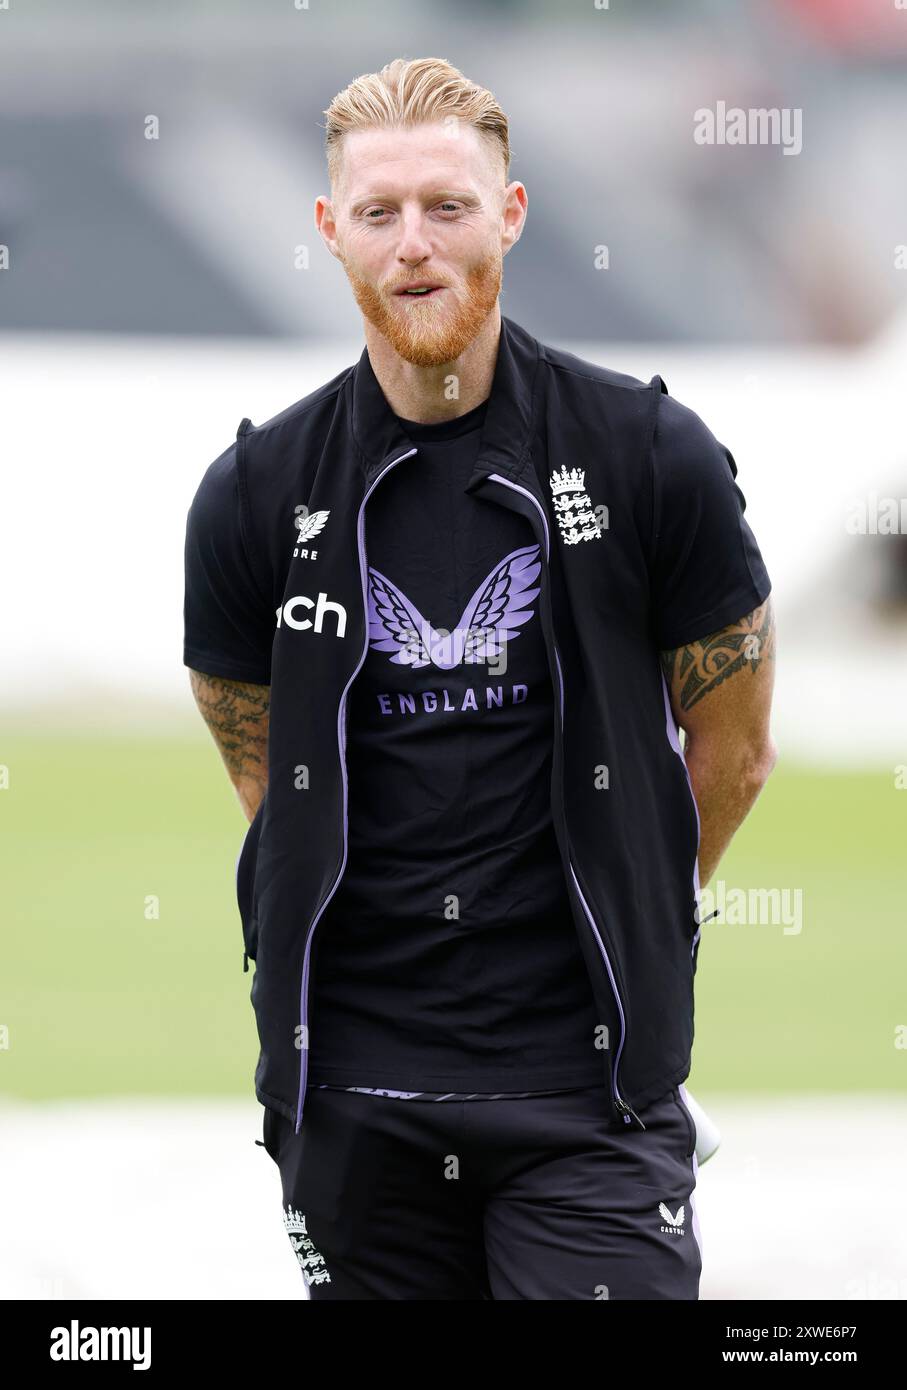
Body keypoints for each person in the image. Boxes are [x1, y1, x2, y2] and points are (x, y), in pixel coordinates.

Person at [183, 57, 776, 1300]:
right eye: (380, 211)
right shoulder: (252, 493)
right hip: (350, 1107)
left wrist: (637, 907)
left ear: (509, 214)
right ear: (329, 230)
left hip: (589, 1098)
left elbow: (730, 748)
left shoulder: (647, 456)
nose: (414, 245)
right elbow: (260, 758)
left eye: (448, 207)